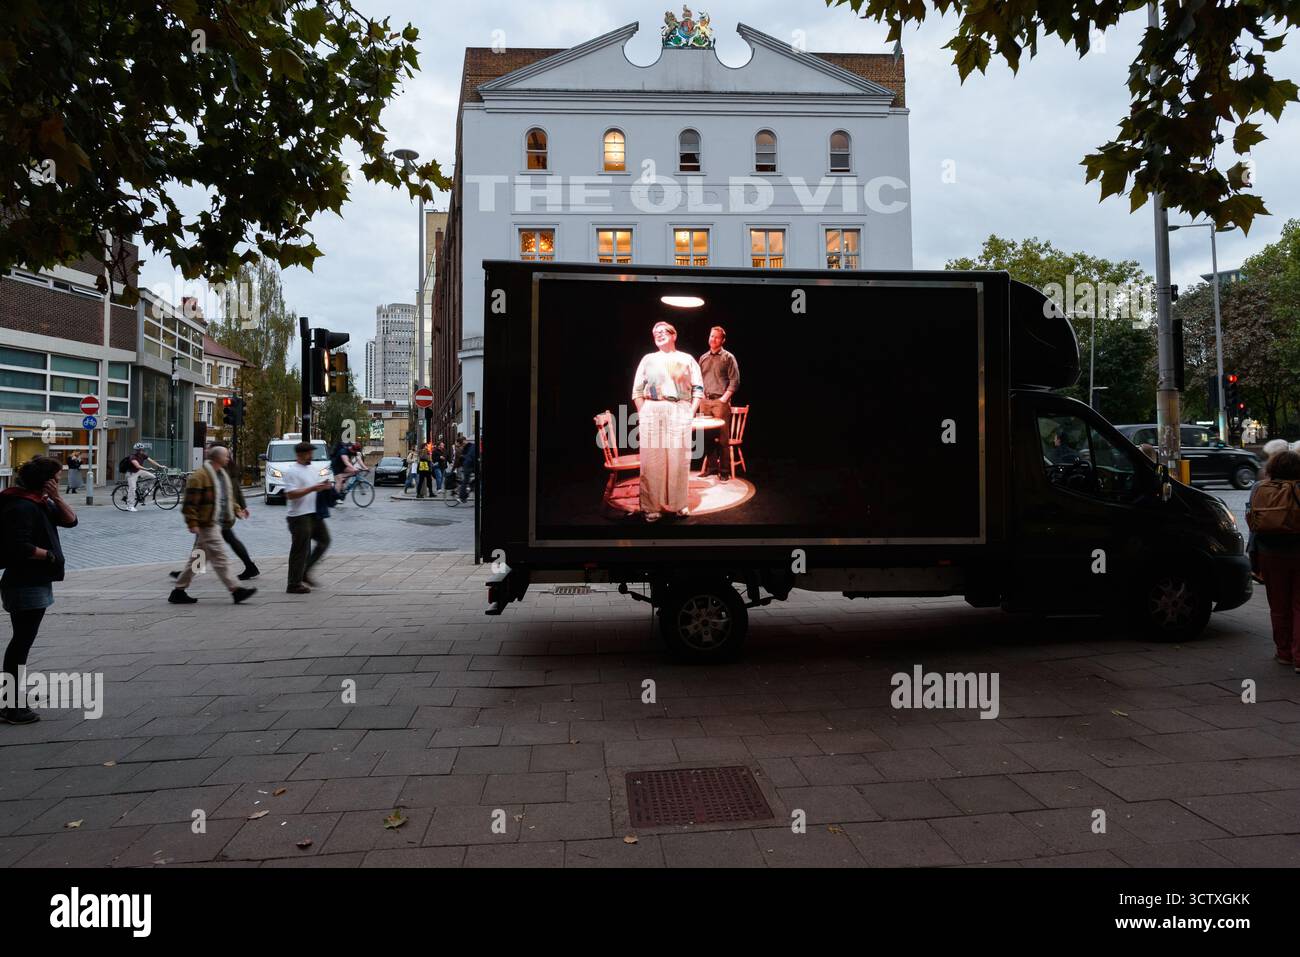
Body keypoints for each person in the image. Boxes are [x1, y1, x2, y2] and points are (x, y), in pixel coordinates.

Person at [0, 457, 76, 725]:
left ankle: (10, 701)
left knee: (21, 642)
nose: (60, 481)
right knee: (20, 644)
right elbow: (18, 546)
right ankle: (11, 706)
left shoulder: (39, 501)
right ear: (45, 480)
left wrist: (56, 497)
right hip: (24, 582)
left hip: (33, 581)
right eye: (57, 477)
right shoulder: (21, 505)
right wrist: (49, 556)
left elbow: (71, 521)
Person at [632, 320, 703, 521]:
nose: (659, 334)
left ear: (674, 335)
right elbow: (637, 389)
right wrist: (643, 409)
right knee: (651, 461)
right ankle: (651, 507)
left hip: (679, 407)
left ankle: (679, 504)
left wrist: (691, 411)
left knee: (678, 458)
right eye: (655, 333)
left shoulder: (686, 359)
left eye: (664, 331)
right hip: (652, 407)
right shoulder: (648, 359)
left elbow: (698, 387)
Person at [168, 446, 257, 605]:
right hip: (207, 524)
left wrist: (237, 510)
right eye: (226, 456)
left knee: (198, 560)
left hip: (217, 522)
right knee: (220, 557)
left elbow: (226, 498)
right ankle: (236, 590)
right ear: (217, 458)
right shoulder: (199, 477)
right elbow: (189, 503)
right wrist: (192, 523)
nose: (228, 458)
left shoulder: (222, 475)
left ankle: (178, 591)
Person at [1248, 449, 1300, 672]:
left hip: (1270, 554)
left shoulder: (1260, 489)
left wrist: (1254, 559)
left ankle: (1284, 652)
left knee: (1278, 606)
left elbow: (1254, 527)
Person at [281, 441, 332, 594]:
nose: (312, 456)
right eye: (309, 453)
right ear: (300, 455)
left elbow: (314, 487)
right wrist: (312, 488)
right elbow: (290, 494)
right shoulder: (292, 472)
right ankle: (293, 584)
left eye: (312, 453)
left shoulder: (312, 469)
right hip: (298, 516)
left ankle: (305, 571)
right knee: (299, 550)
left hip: (313, 513)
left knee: (325, 540)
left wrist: (323, 486)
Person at [697, 325, 740, 482]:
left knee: (722, 438)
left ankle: (724, 471)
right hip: (705, 401)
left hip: (720, 401)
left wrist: (724, 398)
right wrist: (701, 396)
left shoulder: (728, 357)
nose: (712, 339)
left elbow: (735, 381)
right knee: (706, 437)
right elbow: (698, 380)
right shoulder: (703, 358)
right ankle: (711, 468)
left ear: (722, 340)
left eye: (716, 337)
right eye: (711, 336)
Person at [120, 442, 164, 511]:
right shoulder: (133, 457)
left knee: (152, 477)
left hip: (138, 471)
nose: (141, 451)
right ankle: (130, 506)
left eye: (142, 449)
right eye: (139, 450)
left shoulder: (143, 455)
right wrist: (147, 469)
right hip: (131, 473)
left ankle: (143, 491)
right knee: (132, 488)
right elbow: (137, 466)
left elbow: (151, 461)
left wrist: (160, 466)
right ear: (136, 450)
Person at [449, 437, 478, 506]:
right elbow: (457, 460)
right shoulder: (460, 448)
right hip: (466, 466)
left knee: (468, 480)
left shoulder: (469, 446)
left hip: (469, 465)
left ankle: (467, 490)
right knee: (465, 481)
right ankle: (462, 496)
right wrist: (453, 469)